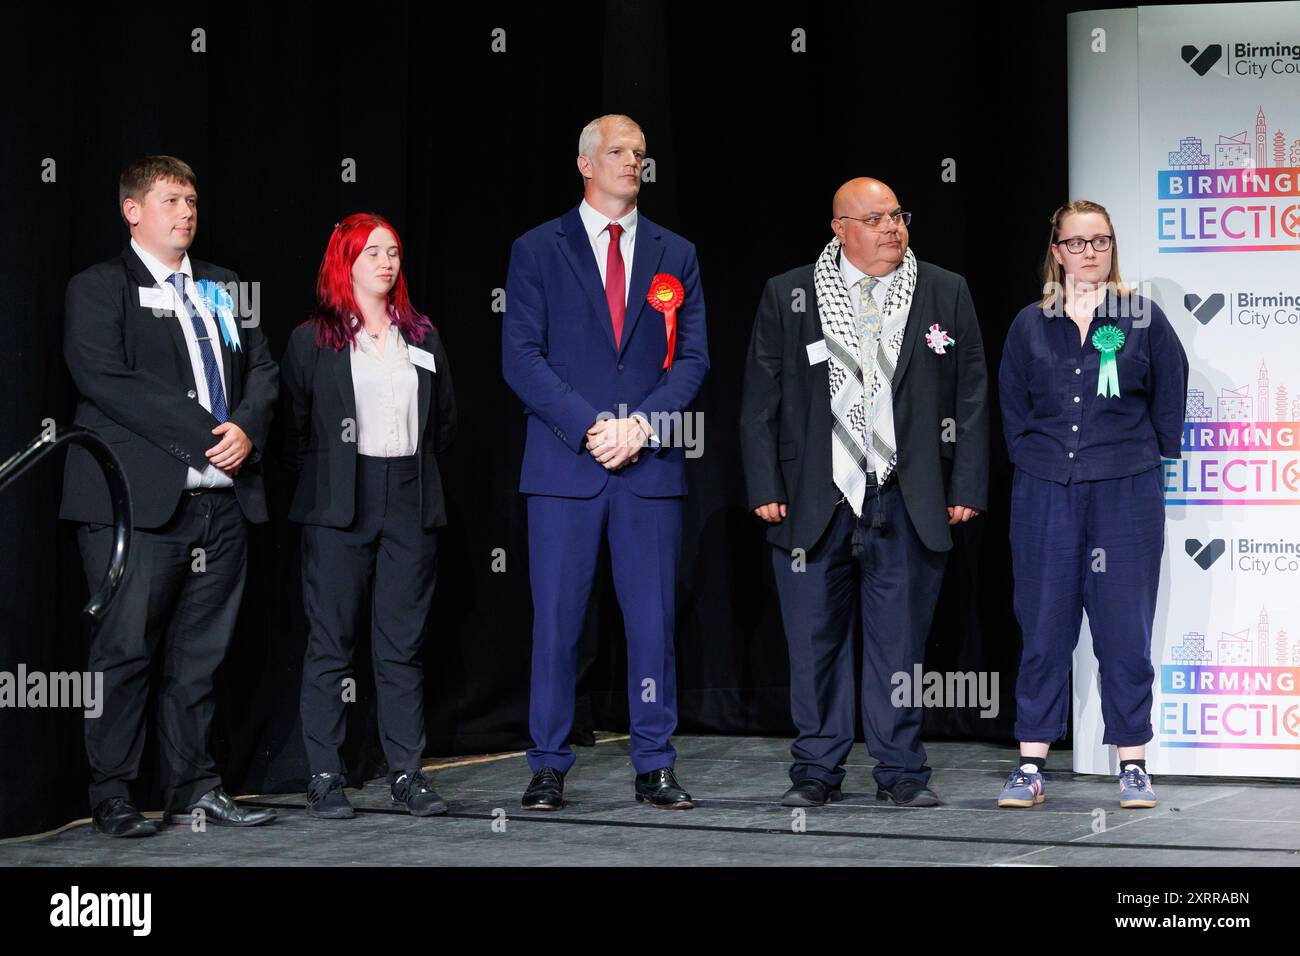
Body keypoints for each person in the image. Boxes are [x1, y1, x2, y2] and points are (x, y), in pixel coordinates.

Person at [741, 177, 989, 808]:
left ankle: (902, 771)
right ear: (839, 228)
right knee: (814, 645)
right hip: (813, 496)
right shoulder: (789, 293)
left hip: (908, 495)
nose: (892, 228)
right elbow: (759, 400)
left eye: (898, 216)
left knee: (899, 646)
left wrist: (964, 483)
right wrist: (765, 484)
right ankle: (816, 771)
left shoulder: (943, 288)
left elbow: (972, 395)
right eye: (875, 219)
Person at [61, 155, 280, 835]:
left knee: (201, 658)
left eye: (191, 200)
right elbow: (105, 378)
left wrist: (246, 426)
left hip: (221, 507)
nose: (186, 212)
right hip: (136, 508)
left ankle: (194, 786)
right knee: (124, 653)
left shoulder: (221, 286)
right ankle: (114, 793)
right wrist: (209, 433)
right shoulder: (99, 288)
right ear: (133, 210)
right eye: (169, 201)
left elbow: (264, 369)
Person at [502, 114, 709, 810]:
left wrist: (642, 427)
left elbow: (692, 360)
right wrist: (594, 426)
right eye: (620, 152)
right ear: (586, 163)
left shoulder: (674, 252)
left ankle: (654, 762)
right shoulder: (537, 249)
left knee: (652, 624)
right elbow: (520, 358)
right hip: (566, 467)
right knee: (557, 623)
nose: (634, 163)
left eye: (641, 154)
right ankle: (548, 765)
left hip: (647, 470)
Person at [997, 199, 1187, 809]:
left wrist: (1142, 455)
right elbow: (1012, 406)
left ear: (1112, 247)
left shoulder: (1142, 318)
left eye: (1099, 241)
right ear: (1056, 250)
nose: (1089, 253)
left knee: (1124, 629)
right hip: (1045, 491)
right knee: (1045, 626)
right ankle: (1031, 765)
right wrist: (1037, 460)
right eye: (1075, 243)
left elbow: (1170, 391)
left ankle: (1132, 763)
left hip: (1125, 492)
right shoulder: (1031, 322)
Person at [281, 213, 456, 819]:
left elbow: (445, 423)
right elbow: (297, 430)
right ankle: (325, 775)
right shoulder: (313, 339)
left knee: (401, 645)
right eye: (373, 252)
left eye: (394, 252)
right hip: (338, 500)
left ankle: (407, 774)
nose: (387, 262)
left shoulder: (423, 336)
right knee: (331, 642)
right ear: (345, 261)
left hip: (409, 495)